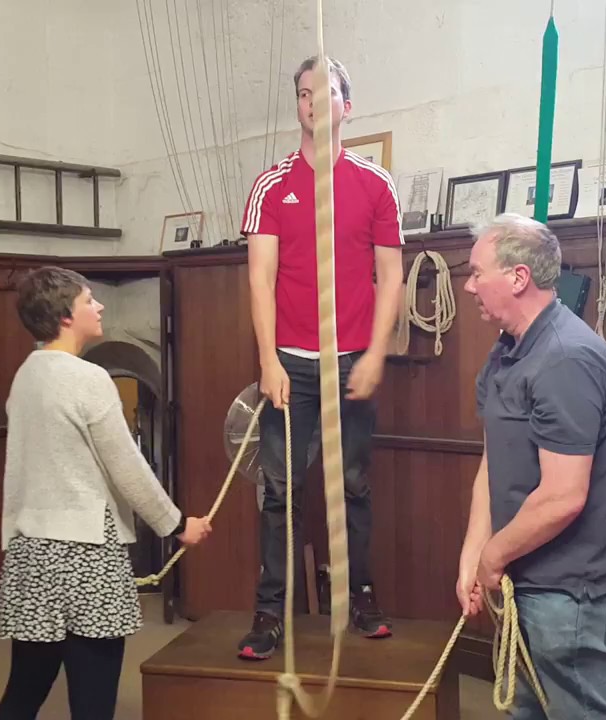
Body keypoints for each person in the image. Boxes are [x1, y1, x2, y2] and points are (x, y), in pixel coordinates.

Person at [236, 55, 405, 660]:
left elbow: (392, 278)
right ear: (298, 105)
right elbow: (261, 279)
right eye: (304, 93)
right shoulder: (270, 186)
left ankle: (358, 595)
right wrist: (268, 361)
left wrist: (376, 355)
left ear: (346, 106)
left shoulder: (375, 184)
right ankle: (270, 610)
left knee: (353, 485)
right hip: (290, 365)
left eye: (325, 92)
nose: (313, 102)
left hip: (351, 359)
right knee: (281, 490)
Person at [0, 267, 212, 720]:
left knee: (26, 687)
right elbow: (129, 469)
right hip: (86, 553)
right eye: (90, 300)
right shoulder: (89, 379)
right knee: (93, 699)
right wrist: (176, 525)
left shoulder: (26, 375)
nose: (100, 306)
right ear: (65, 316)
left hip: (31, 551)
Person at [455, 214, 606, 719]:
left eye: (477, 272)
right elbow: (491, 463)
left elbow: (564, 495)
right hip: (529, 578)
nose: (469, 285)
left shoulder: (566, 358)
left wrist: (493, 557)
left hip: (572, 591)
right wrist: (475, 551)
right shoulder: (507, 354)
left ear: (518, 278)